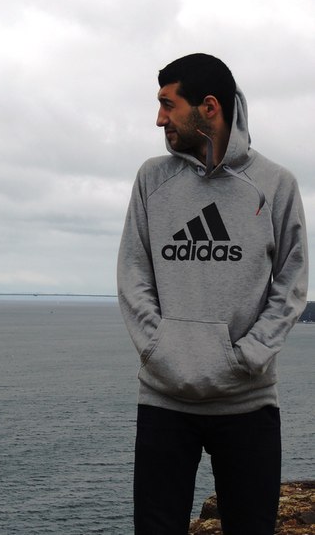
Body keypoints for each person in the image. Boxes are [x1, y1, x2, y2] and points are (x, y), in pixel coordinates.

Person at [117, 53, 308, 535]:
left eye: (168, 104)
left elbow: (292, 280)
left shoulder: (276, 184)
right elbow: (134, 272)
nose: (159, 118)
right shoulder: (151, 179)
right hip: (164, 401)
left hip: (247, 402)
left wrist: (249, 356)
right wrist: (159, 350)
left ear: (209, 107)